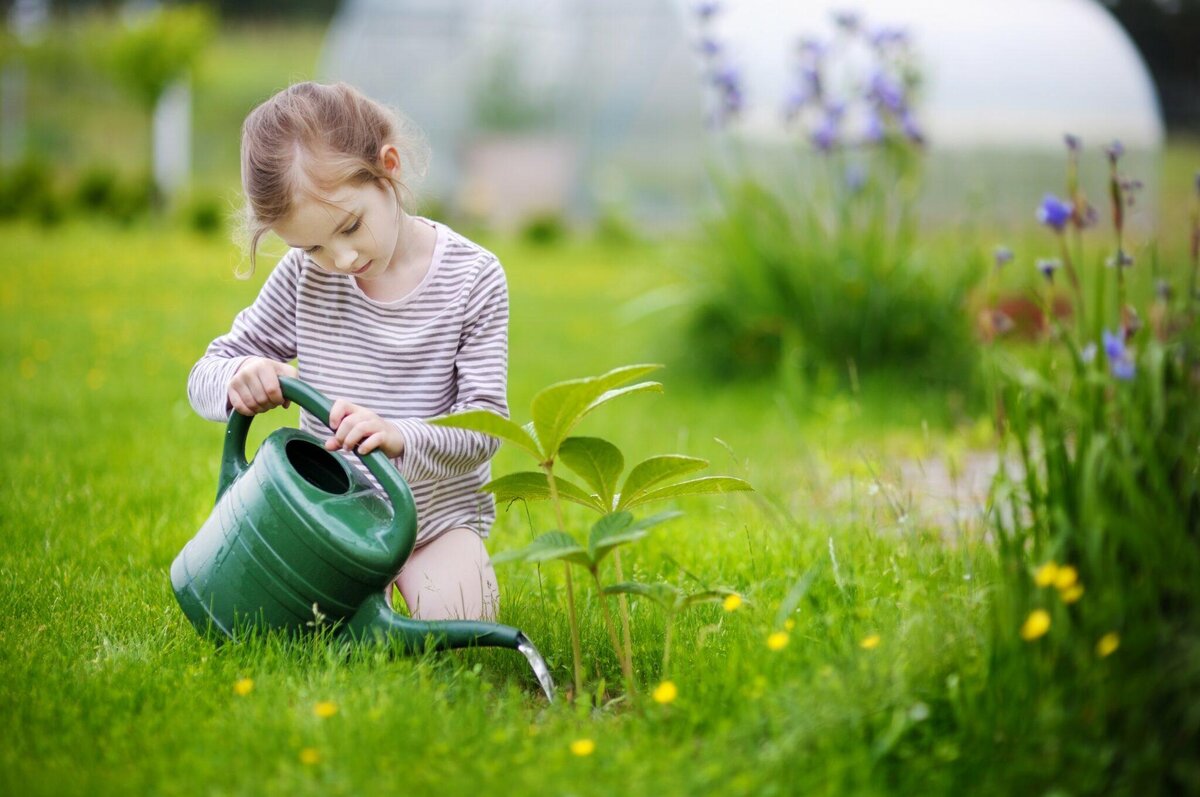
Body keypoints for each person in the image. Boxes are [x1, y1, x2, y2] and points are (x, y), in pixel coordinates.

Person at [187, 81, 506, 622]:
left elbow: (486, 430)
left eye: (350, 226)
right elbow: (206, 373)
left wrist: (401, 435)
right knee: (272, 627)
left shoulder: (472, 278)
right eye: (310, 246)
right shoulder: (304, 277)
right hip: (328, 522)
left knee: (462, 619)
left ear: (389, 167)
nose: (340, 258)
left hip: (434, 523)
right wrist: (240, 373)